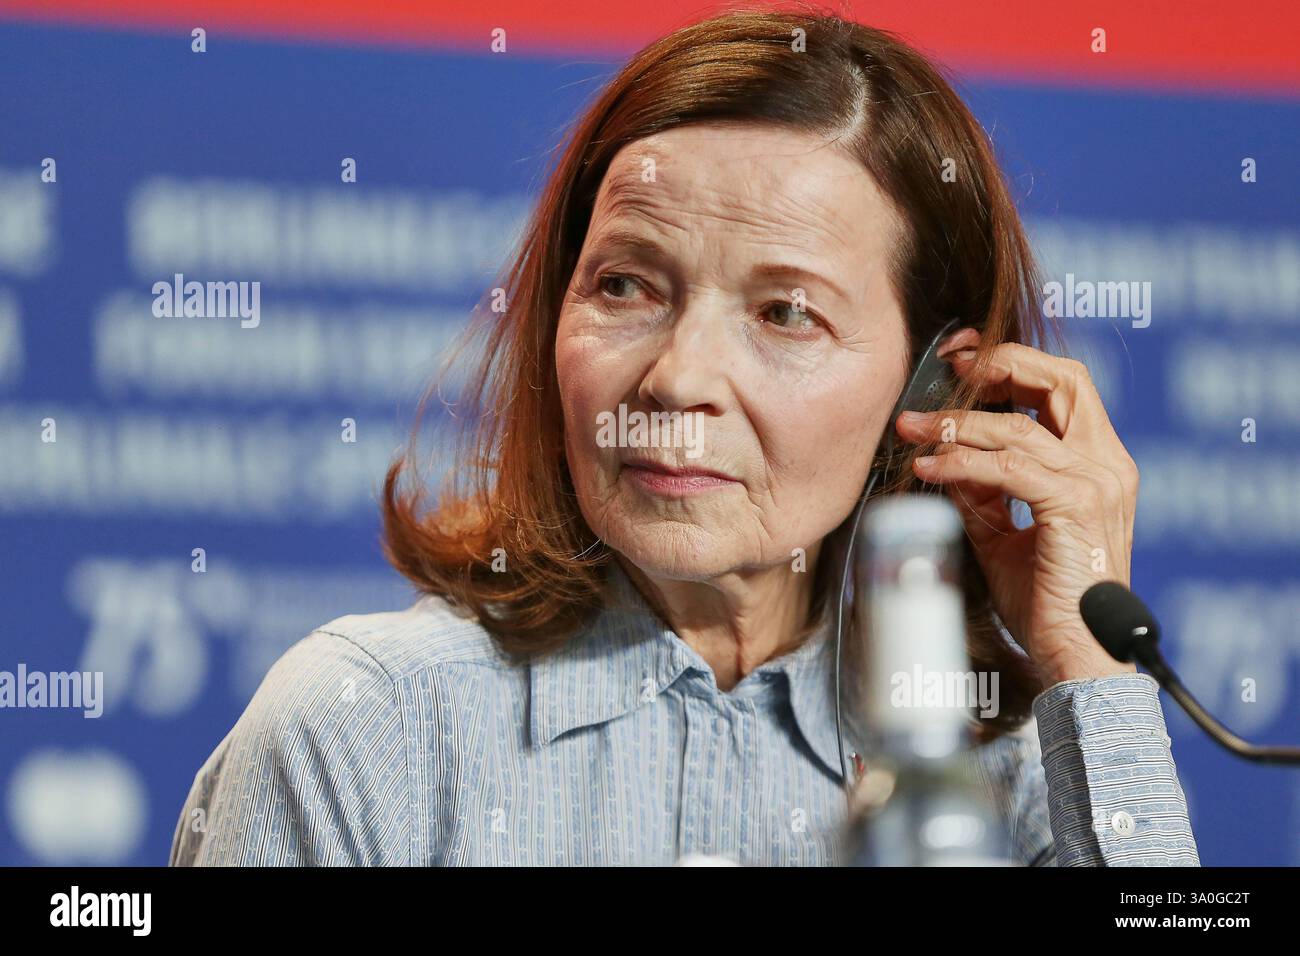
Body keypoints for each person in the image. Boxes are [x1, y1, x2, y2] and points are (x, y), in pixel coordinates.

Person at [170, 9, 1199, 866]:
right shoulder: (366, 727)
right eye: (624, 285)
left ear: (938, 381)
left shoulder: (1011, 770)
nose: (676, 378)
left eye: (785, 313)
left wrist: (1088, 673)